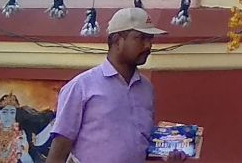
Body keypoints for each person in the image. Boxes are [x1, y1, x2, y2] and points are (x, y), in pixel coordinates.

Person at [41, 8, 174, 163]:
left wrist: (168, 156)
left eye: (150, 39)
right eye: (140, 38)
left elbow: (142, 148)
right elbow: (60, 148)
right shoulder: (82, 86)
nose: (148, 46)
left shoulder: (146, 89)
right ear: (117, 40)